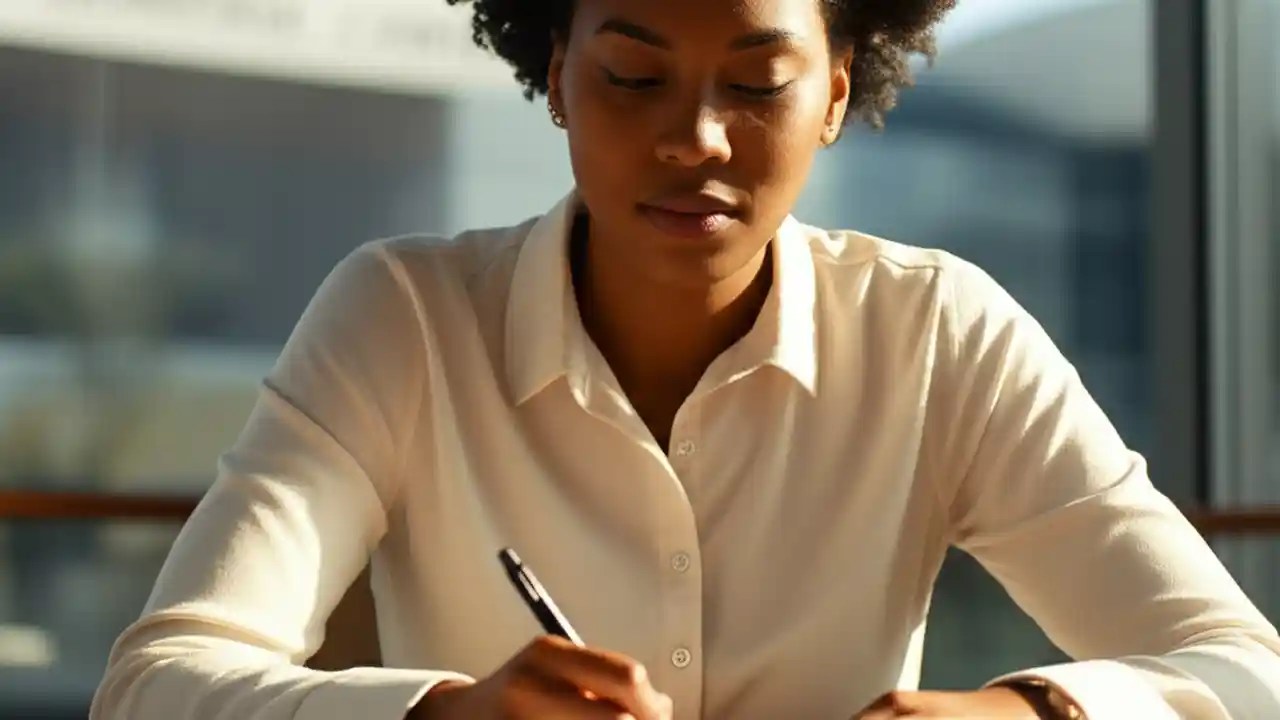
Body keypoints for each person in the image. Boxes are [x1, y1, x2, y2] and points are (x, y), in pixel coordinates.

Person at [91, 0, 1280, 718]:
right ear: (555, 74)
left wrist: (1024, 710)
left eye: (758, 83)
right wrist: (450, 717)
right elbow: (156, 686)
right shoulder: (404, 316)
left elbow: (1245, 673)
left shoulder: (936, 334)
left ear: (833, 94)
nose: (693, 138)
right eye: (632, 76)